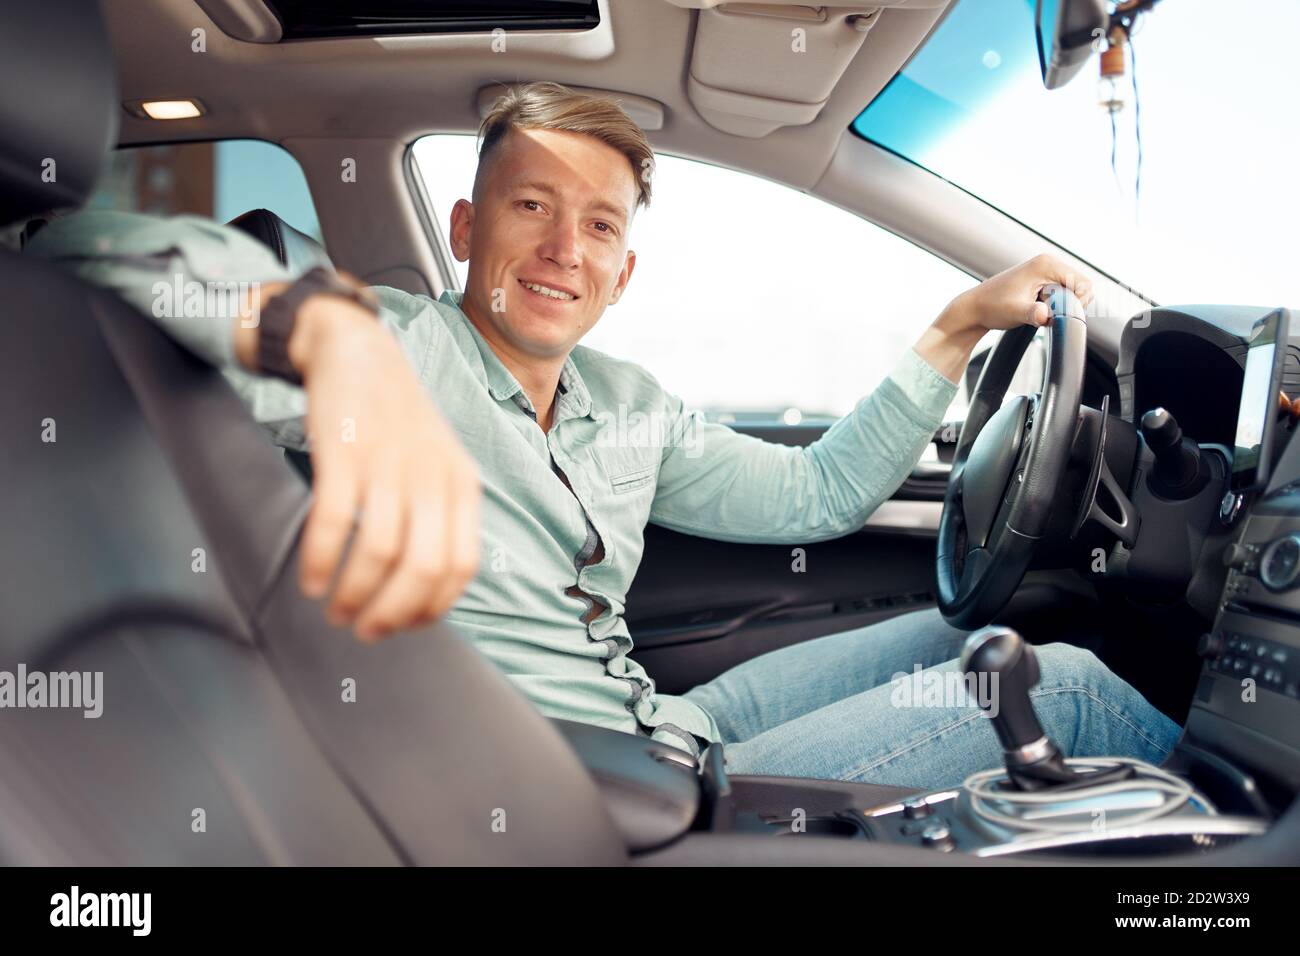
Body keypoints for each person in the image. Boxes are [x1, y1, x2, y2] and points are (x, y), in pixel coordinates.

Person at [27, 82, 1181, 789]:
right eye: (530, 208)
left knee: (957, 636)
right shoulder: (391, 341)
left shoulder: (627, 401)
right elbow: (75, 254)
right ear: (470, 227)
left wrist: (956, 322)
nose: (560, 250)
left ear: (621, 274)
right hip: (561, 771)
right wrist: (326, 333)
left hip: (675, 718)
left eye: (596, 226)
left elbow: (812, 498)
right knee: (1064, 689)